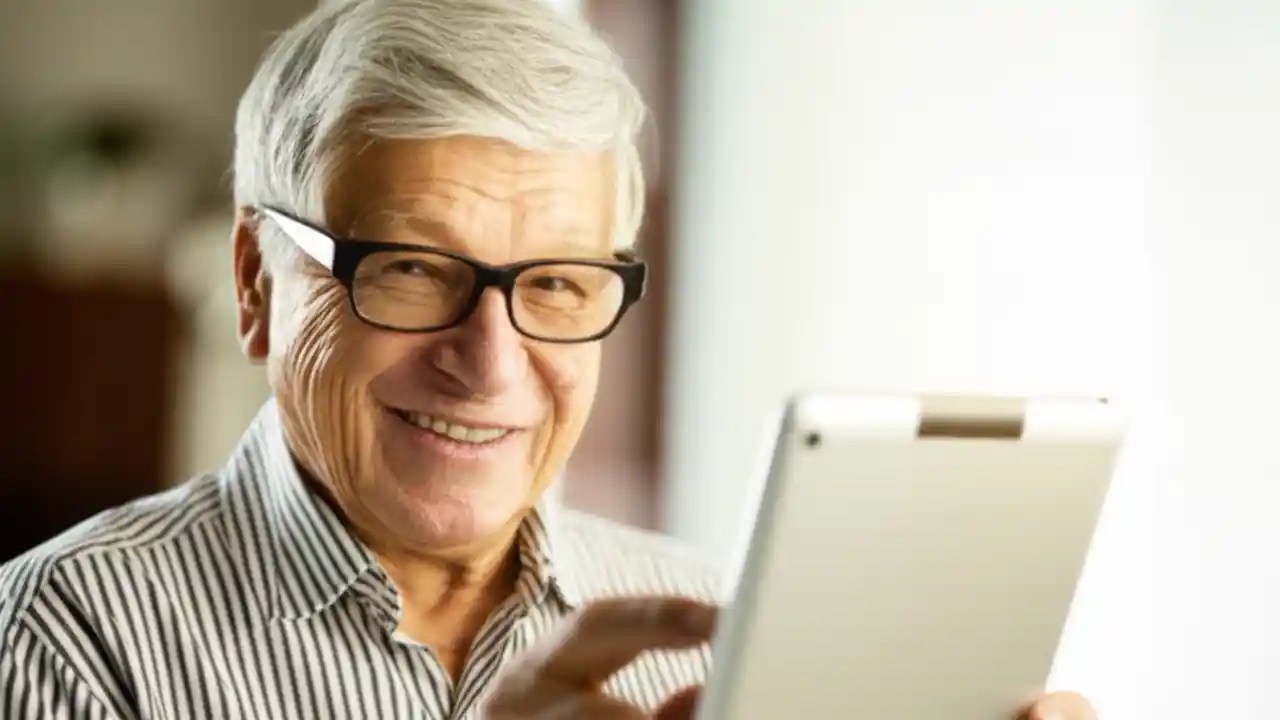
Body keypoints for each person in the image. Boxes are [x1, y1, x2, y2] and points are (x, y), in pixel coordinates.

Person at [0, 1, 1097, 718]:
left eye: (559, 285)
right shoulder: (65, 635)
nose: (488, 364)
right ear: (253, 282)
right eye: (414, 271)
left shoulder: (707, 631)